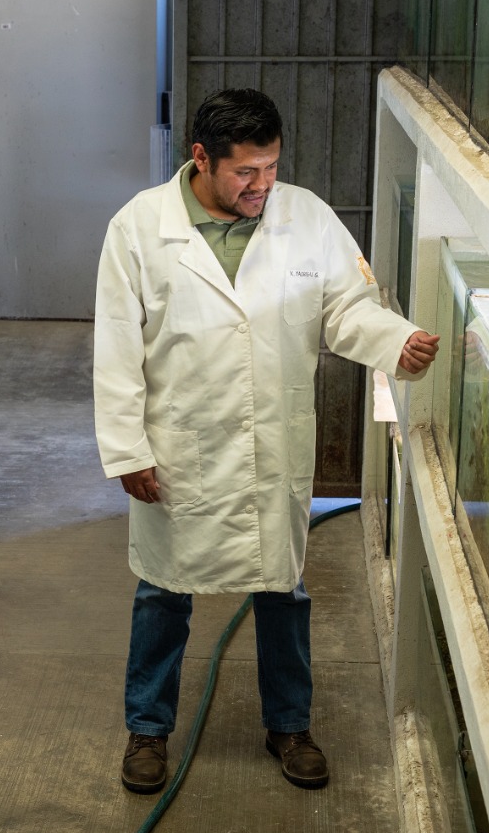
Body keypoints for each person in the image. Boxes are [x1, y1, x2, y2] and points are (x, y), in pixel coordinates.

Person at [94, 88, 439, 794]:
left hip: (270, 443)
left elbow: (345, 308)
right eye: (245, 172)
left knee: (284, 585)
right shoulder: (137, 229)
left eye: (271, 168)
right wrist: (127, 448)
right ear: (201, 158)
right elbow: (116, 348)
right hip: (179, 446)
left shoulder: (306, 217)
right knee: (163, 591)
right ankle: (147, 730)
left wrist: (395, 343)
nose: (262, 186)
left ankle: (290, 724)